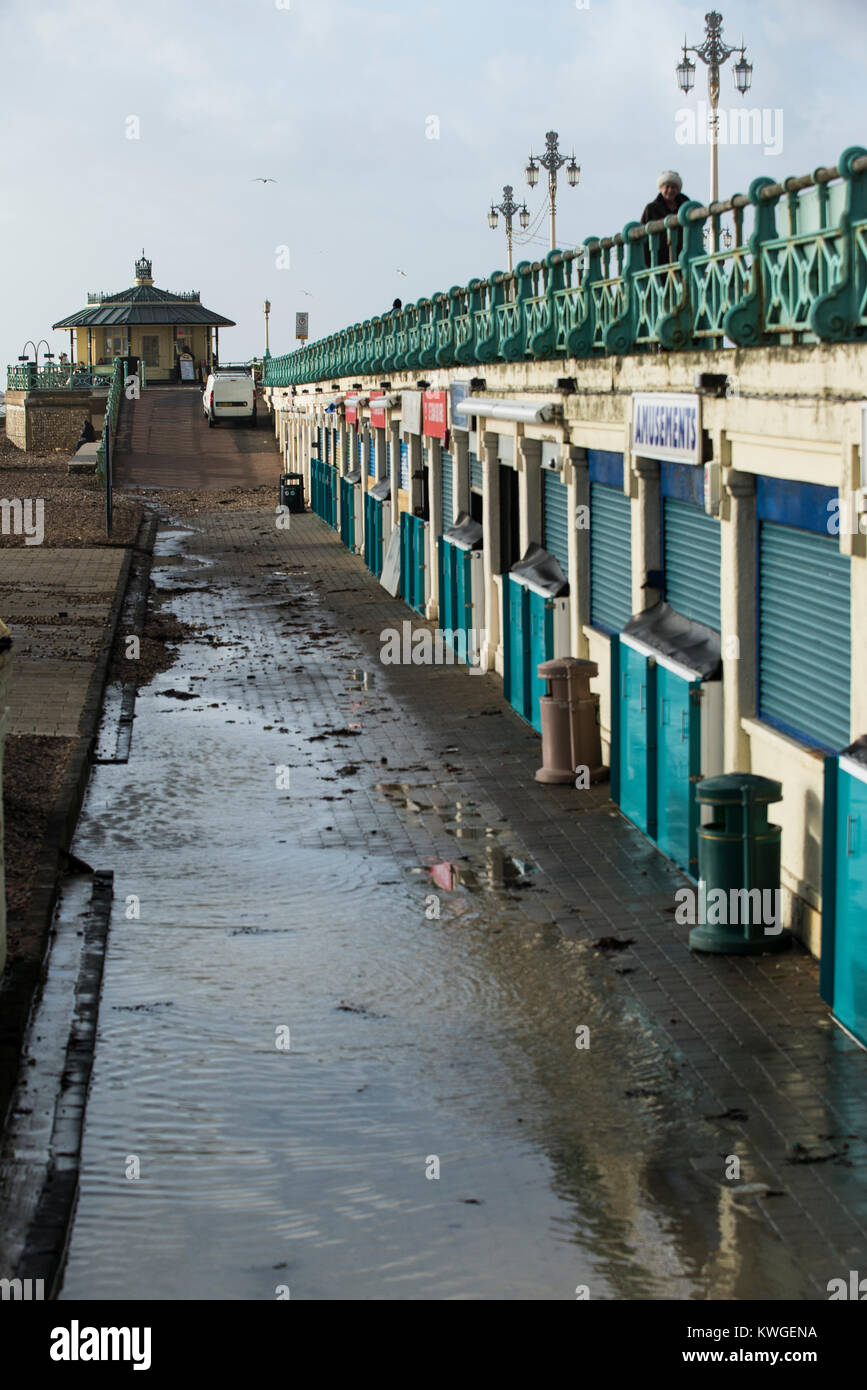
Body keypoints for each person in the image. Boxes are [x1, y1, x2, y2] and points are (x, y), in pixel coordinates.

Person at [641, 171, 689, 267]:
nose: (670, 190)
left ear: (678, 189)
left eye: (673, 187)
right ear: (661, 188)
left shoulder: (686, 206)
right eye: (667, 187)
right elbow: (643, 236)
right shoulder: (651, 209)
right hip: (658, 260)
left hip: (682, 258)